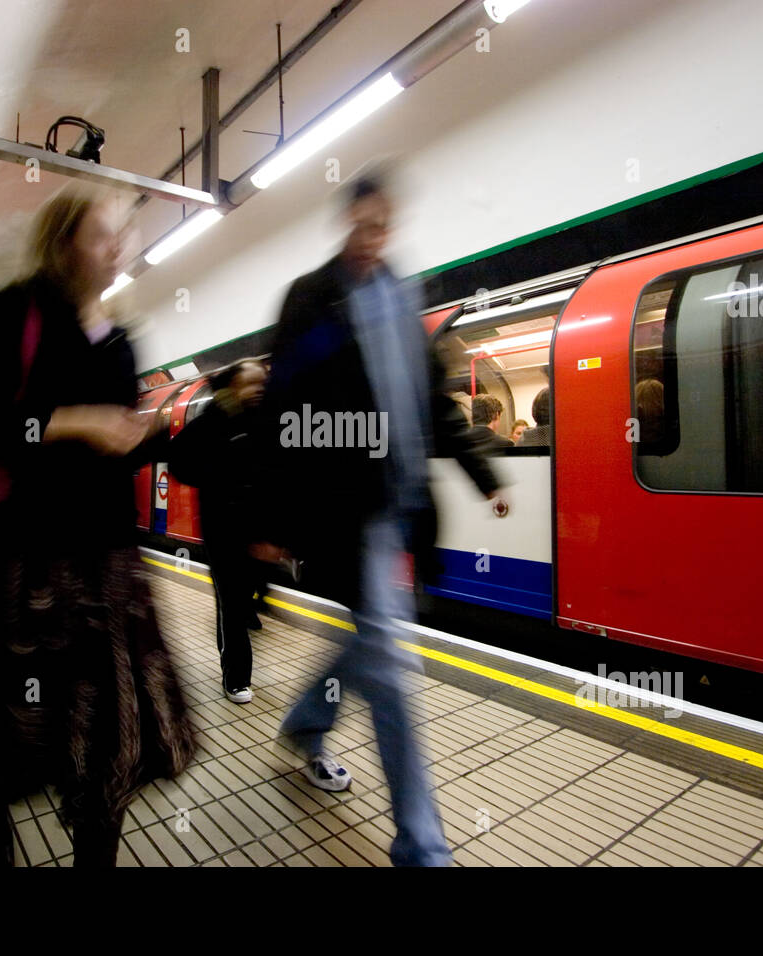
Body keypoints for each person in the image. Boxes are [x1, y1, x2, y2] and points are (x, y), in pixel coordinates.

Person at [253, 163, 504, 867]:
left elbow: (426, 404)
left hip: (403, 507)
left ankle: (307, 721)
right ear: (346, 223)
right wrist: (271, 514)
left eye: (385, 225)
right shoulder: (313, 299)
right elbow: (282, 413)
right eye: (363, 226)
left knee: (371, 646)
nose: (374, 237)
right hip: (346, 509)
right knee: (391, 663)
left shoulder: (402, 297)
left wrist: (482, 472)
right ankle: (422, 847)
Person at [0, 184, 195, 867]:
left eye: (122, 235)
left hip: (109, 562)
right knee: (15, 723)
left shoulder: (120, 342)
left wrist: (149, 435)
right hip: (30, 558)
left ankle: (94, 840)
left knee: (112, 735)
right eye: (100, 235)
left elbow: (117, 444)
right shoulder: (12, 316)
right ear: (62, 246)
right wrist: (72, 420)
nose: (117, 247)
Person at [168, 359, 269, 704]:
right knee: (230, 602)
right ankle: (236, 678)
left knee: (242, 597)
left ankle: (249, 609)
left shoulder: (265, 421)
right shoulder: (210, 424)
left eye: (262, 383)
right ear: (232, 387)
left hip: (258, 530)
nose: (259, 390)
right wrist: (217, 482)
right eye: (251, 383)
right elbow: (179, 463)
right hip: (223, 529)